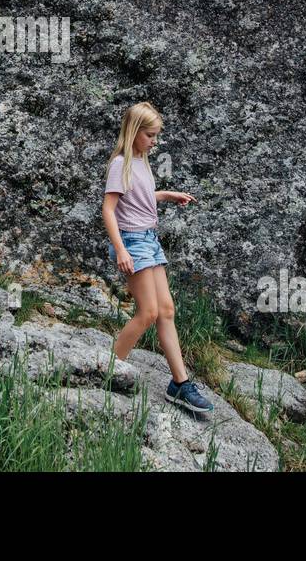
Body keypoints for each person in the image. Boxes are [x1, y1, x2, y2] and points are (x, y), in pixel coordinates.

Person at [102, 101, 214, 413]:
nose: (154, 141)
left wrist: (164, 195)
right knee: (148, 312)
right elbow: (108, 210)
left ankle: (180, 383)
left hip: (149, 239)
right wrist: (121, 249)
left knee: (166, 309)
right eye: (150, 135)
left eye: (156, 135)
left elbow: (137, 199)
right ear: (135, 132)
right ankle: (108, 368)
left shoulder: (141, 161)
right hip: (132, 242)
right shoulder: (120, 164)